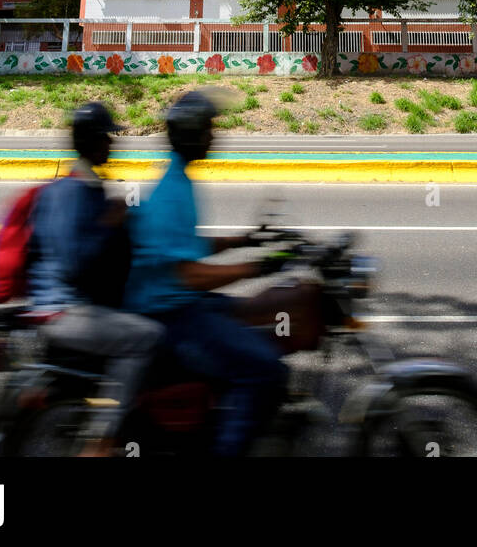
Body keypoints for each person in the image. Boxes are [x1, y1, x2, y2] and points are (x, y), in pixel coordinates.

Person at [123, 90, 288, 456]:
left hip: (181, 303)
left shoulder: (177, 179)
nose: (214, 136)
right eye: (208, 129)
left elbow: (189, 246)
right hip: (172, 315)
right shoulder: (172, 193)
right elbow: (189, 274)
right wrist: (257, 265)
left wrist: (246, 239)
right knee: (264, 369)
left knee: (253, 317)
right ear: (192, 134)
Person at [26, 101, 163, 456]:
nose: (112, 146)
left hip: (66, 304)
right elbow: (77, 262)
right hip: (65, 311)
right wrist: (112, 223)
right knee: (146, 338)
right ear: (91, 141)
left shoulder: (78, 187)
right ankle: (102, 438)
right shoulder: (75, 193)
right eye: (106, 139)